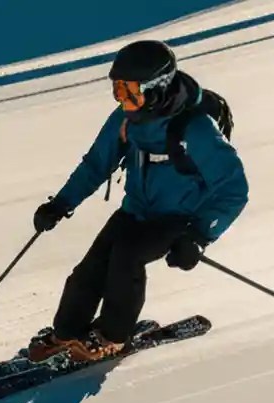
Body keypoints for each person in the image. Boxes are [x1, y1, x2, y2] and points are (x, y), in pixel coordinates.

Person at [28, 39, 249, 363]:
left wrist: (199, 237)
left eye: (130, 91)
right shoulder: (126, 120)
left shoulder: (195, 128)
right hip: (136, 210)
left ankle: (111, 337)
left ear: (157, 88)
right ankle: (66, 333)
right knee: (89, 270)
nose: (123, 99)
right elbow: (96, 164)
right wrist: (60, 204)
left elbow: (233, 188)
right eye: (118, 91)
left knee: (126, 259)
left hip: (177, 219)